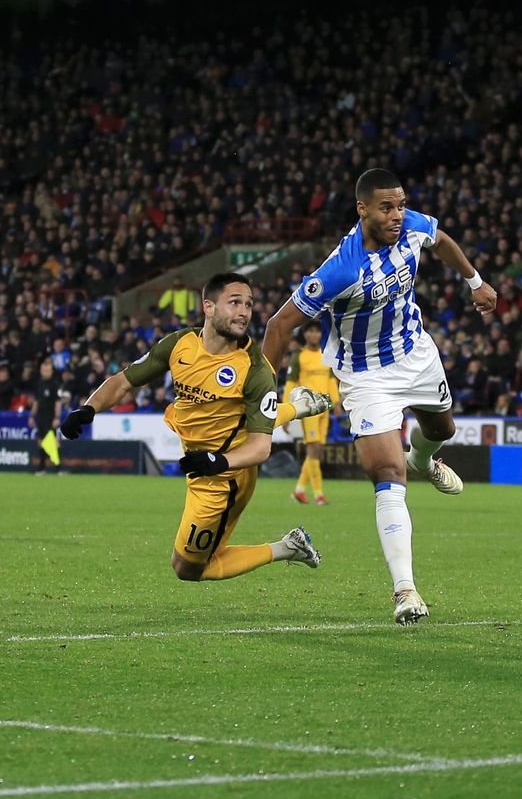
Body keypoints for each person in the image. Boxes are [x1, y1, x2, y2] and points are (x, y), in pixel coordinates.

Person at [260, 169, 496, 625]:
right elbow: (278, 326)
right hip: (367, 378)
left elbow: (441, 239)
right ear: (362, 209)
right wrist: (266, 395)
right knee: (386, 474)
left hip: (417, 354)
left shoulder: (410, 228)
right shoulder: (340, 270)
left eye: (401, 204)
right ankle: (405, 590)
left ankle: (424, 460)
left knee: (441, 429)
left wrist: (475, 282)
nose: (397, 215)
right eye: (386, 207)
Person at [60, 272, 329, 583]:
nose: (243, 311)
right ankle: (299, 407)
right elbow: (123, 382)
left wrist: (219, 461)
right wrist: (88, 408)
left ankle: (287, 547)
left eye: (249, 304)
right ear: (209, 307)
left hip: (226, 475)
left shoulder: (256, 370)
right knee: (230, 412)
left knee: (189, 568)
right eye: (235, 302)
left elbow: (260, 447)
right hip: (199, 460)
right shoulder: (179, 344)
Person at [285, 329, 338, 505]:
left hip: (325, 406)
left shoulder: (326, 354)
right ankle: (319, 494)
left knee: (317, 450)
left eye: (316, 332)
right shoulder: (298, 355)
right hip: (308, 408)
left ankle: (299, 490)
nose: (314, 335)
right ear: (305, 335)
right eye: (310, 332)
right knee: (314, 448)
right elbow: (291, 383)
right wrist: (287, 409)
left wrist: (336, 402)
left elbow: (331, 379)